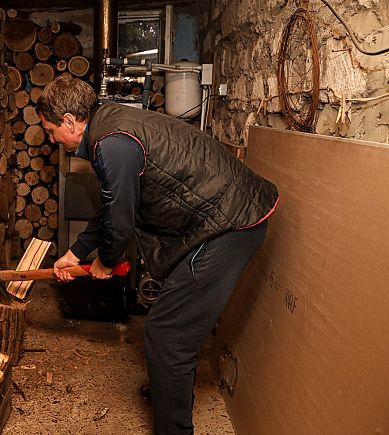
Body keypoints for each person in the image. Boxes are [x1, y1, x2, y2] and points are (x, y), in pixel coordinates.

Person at [36, 75, 278, 435]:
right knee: (171, 324)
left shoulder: (112, 144)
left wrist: (104, 261)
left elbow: (119, 218)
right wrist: (76, 252)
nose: (51, 138)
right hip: (225, 215)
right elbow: (114, 203)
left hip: (228, 224)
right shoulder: (111, 125)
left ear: (70, 121)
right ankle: (170, 390)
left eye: (51, 130)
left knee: (168, 334)